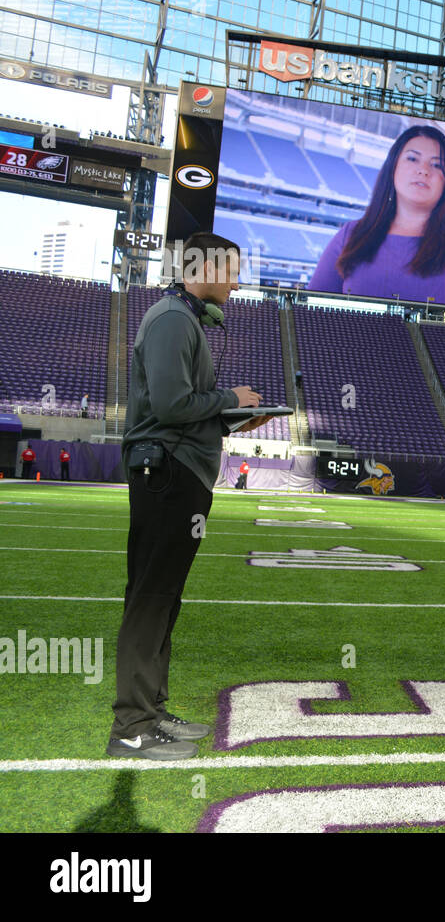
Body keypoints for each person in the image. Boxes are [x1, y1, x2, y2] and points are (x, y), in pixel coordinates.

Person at [110, 231, 265, 761]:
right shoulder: (173, 319)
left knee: (165, 597)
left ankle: (150, 709)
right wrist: (230, 399)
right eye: (233, 270)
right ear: (204, 267)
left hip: (179, 469)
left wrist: (231, 414)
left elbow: (182, 405)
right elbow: (174, 406)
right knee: (151, 597)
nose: (238, 281)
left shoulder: (183, 319)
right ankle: (132, 726)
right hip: (167, 472)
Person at [307, 125, 445, 311]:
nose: (423, 170)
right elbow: (310, 312)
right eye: (413, 158)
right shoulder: (350, 236)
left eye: (437, 165)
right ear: (393, 167)